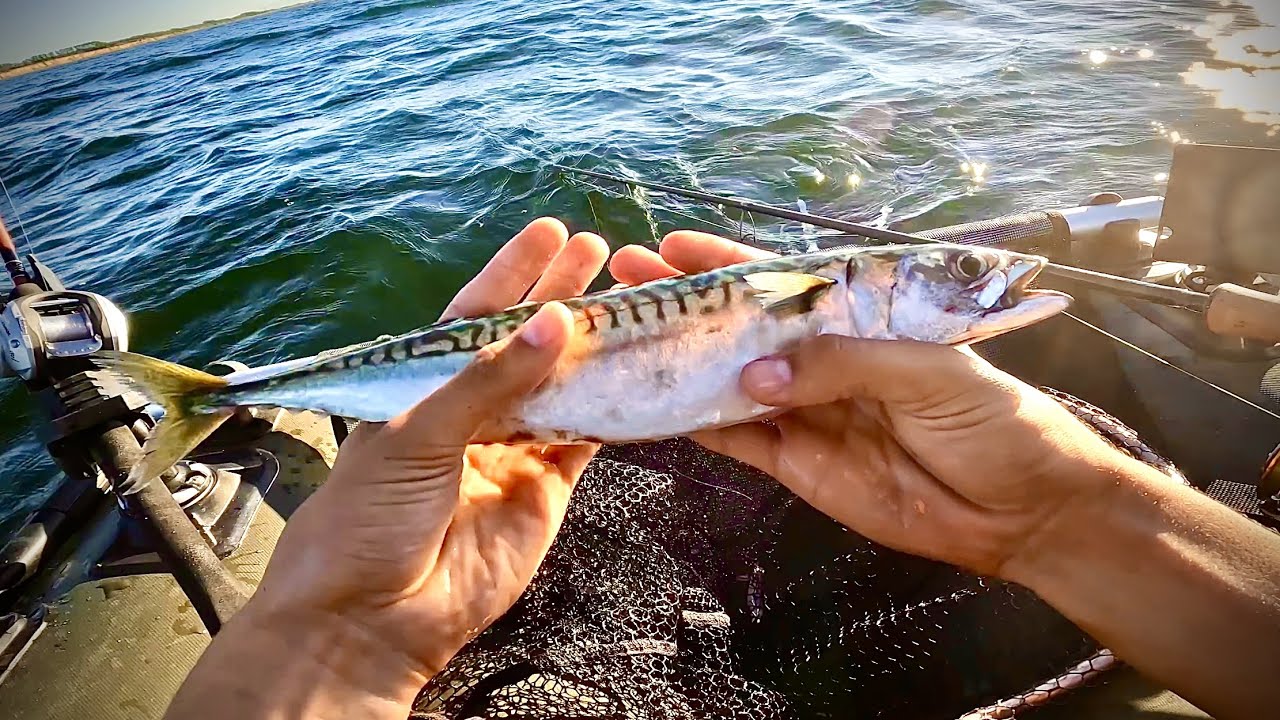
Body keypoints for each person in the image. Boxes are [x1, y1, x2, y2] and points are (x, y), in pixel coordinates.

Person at [163, 218, 1280, 720]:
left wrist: (336, 641)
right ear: (857, 284)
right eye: (953, 269)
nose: (981, 284)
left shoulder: (837, 319)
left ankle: (202, 397)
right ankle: (192, 399)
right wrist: (1064, 518)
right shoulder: (813, 293)